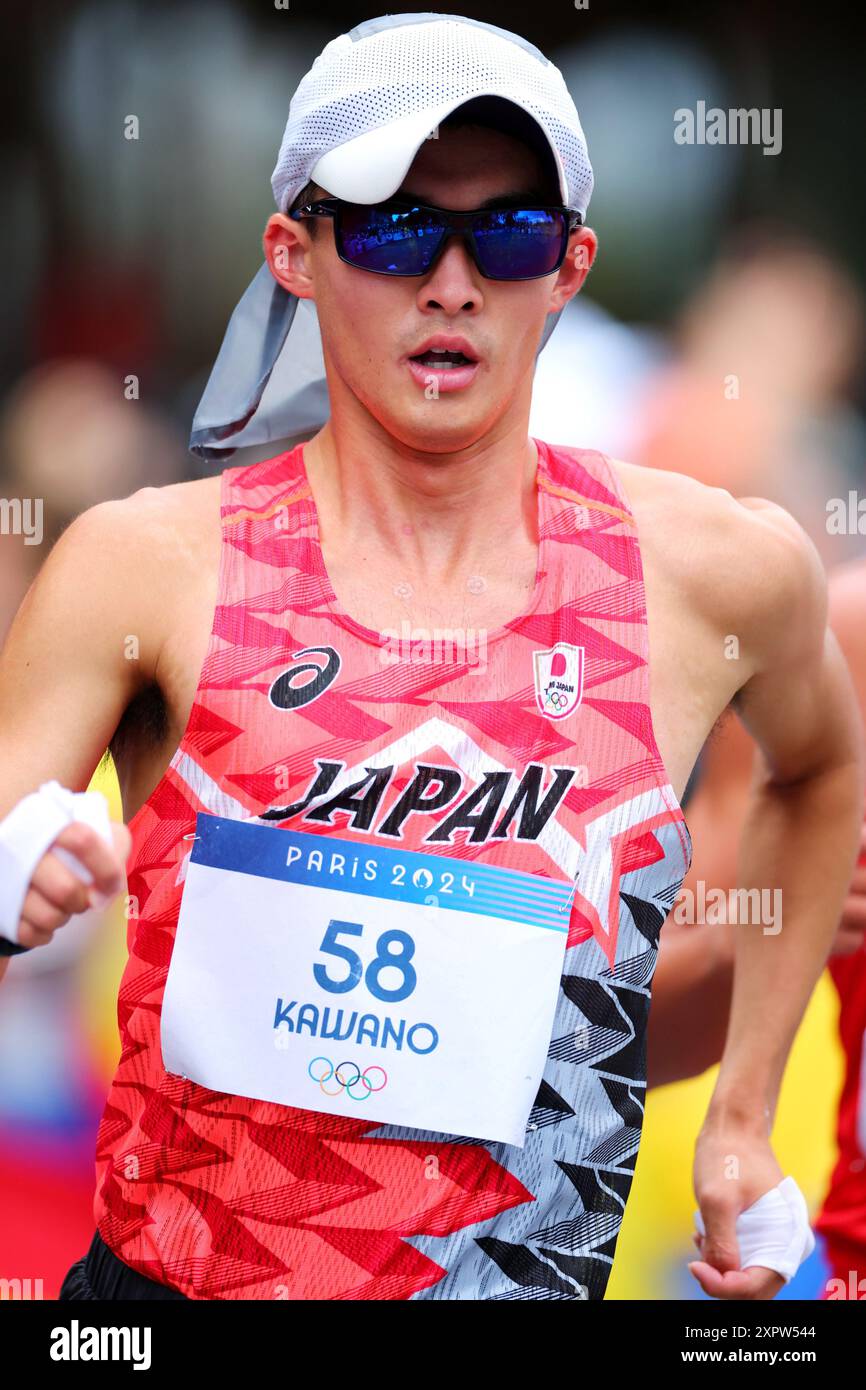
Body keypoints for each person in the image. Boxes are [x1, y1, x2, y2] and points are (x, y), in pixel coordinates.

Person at [0, 13, 862, 1302]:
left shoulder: (716, 573)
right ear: (294, 253)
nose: (452, 282)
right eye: (396, 228)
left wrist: (743, 1115)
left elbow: (821, 771)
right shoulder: (148, 569)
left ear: (568, 267)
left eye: (504, 233)